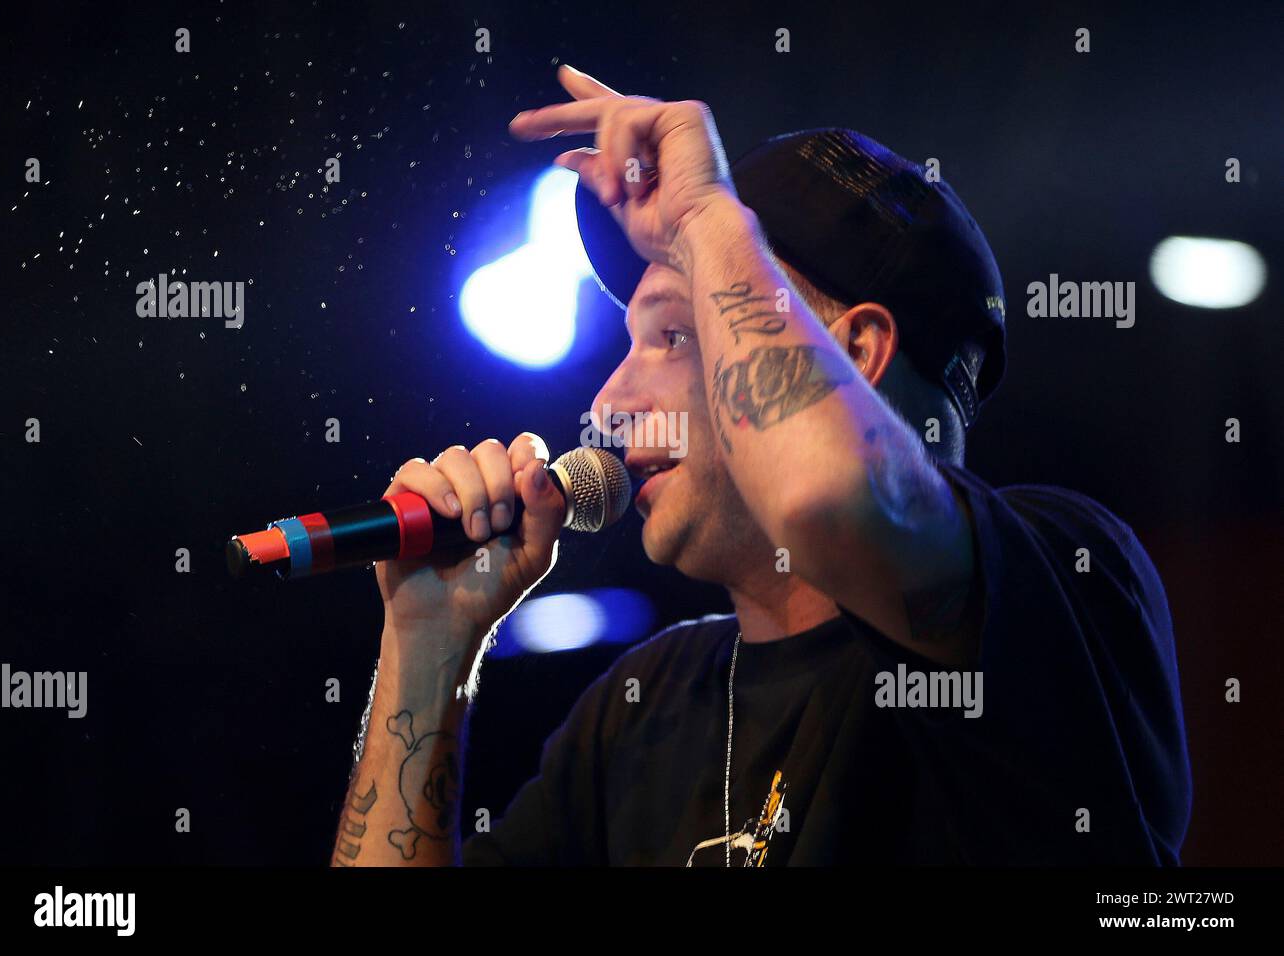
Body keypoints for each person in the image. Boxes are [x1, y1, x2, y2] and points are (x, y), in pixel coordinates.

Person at [330, 66, 1192, 867]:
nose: (609, 403)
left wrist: (707, 218)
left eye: (673, 333)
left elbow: (825, 498)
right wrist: (428, 646)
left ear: (856, 353)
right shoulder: (639, 711)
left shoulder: (1065, 574)